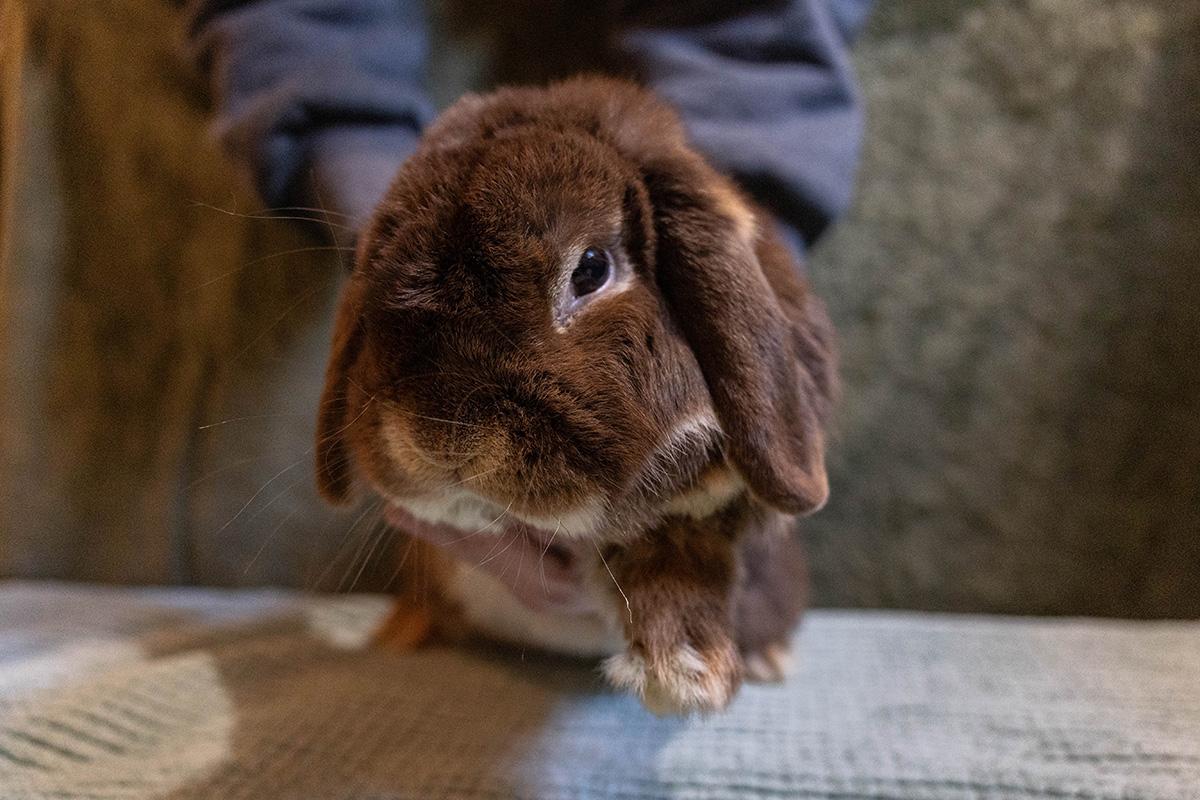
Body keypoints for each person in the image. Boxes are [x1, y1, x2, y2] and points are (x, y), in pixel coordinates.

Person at [185, 0, 872, 611]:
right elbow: (291, 17)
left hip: (704, 166)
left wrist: (737, 256)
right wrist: (396, 226)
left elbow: (751, 27)